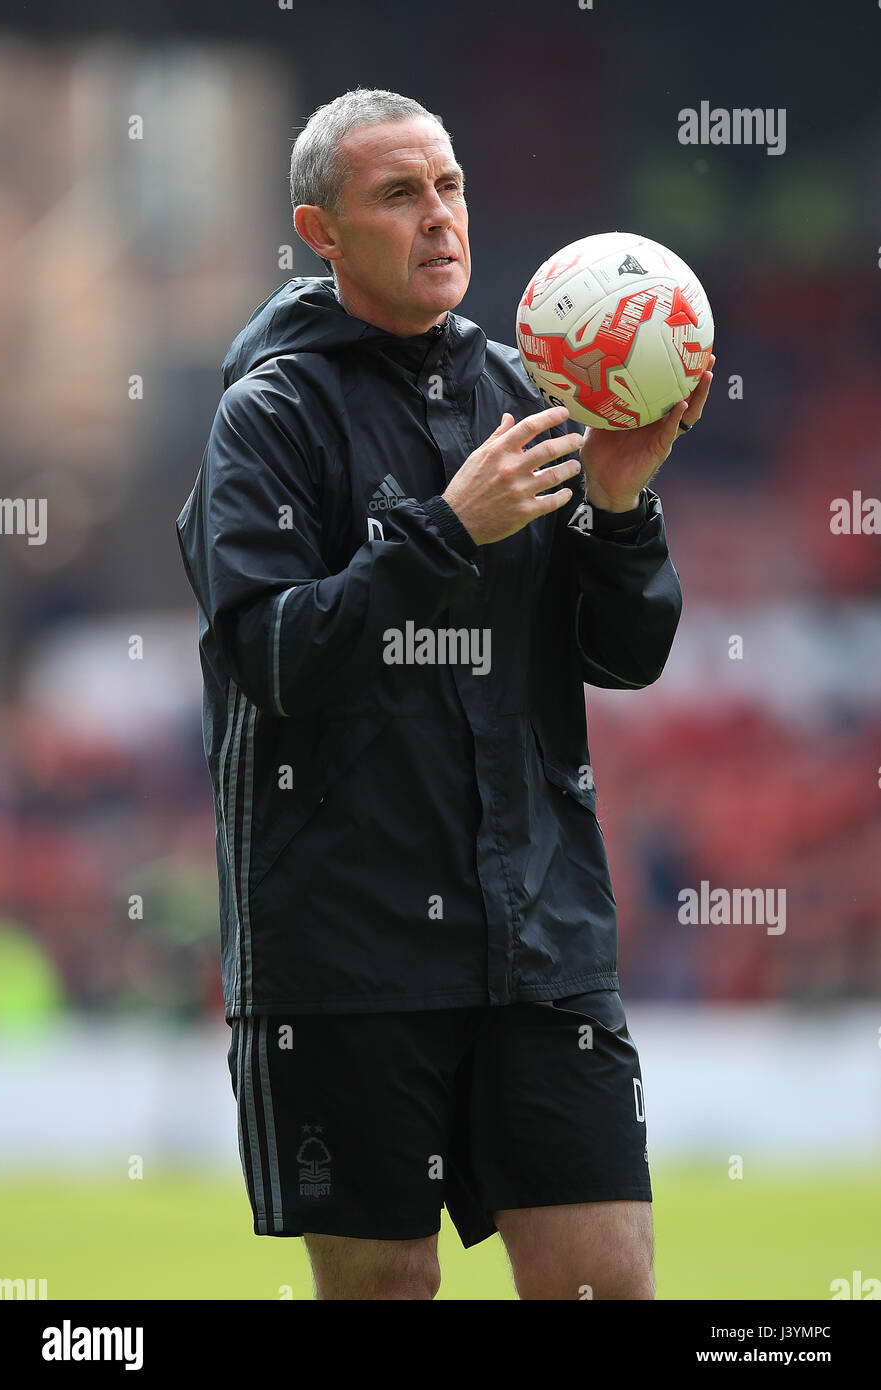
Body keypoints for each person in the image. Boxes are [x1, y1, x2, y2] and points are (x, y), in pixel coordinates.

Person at [175, 86, 714, 1301]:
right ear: (321, 234)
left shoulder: (532, 394)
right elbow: (275, 657)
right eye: (399, 194)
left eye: (452, 186)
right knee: (386, 1295)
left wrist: (621, 505)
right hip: (346, 955)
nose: (439, 218)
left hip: (540, 946)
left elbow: (626, 655)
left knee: (604, 1285)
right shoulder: (266, 419)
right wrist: (445, 531)